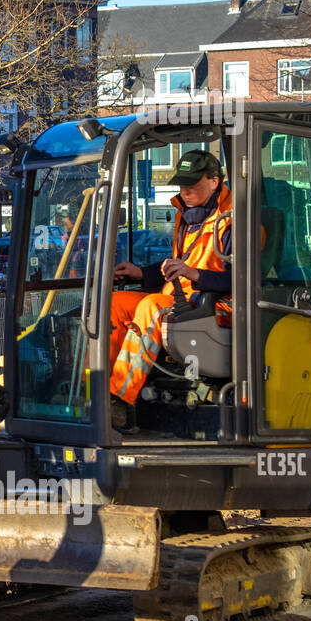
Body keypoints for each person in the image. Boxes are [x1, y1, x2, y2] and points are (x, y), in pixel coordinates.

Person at [109, 149, 232, 428]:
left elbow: (241, 278)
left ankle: (118, 399)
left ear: (214, 182)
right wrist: (142, 273)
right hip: (181, 299)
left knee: (150, 307)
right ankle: (90, 387)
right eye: (182, 184)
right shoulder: (189, 216)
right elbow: (180, 265)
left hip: (221, 306)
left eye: (192, 184)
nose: (185, 191)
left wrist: (195, 274)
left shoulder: (233, 220)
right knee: (115, 303)